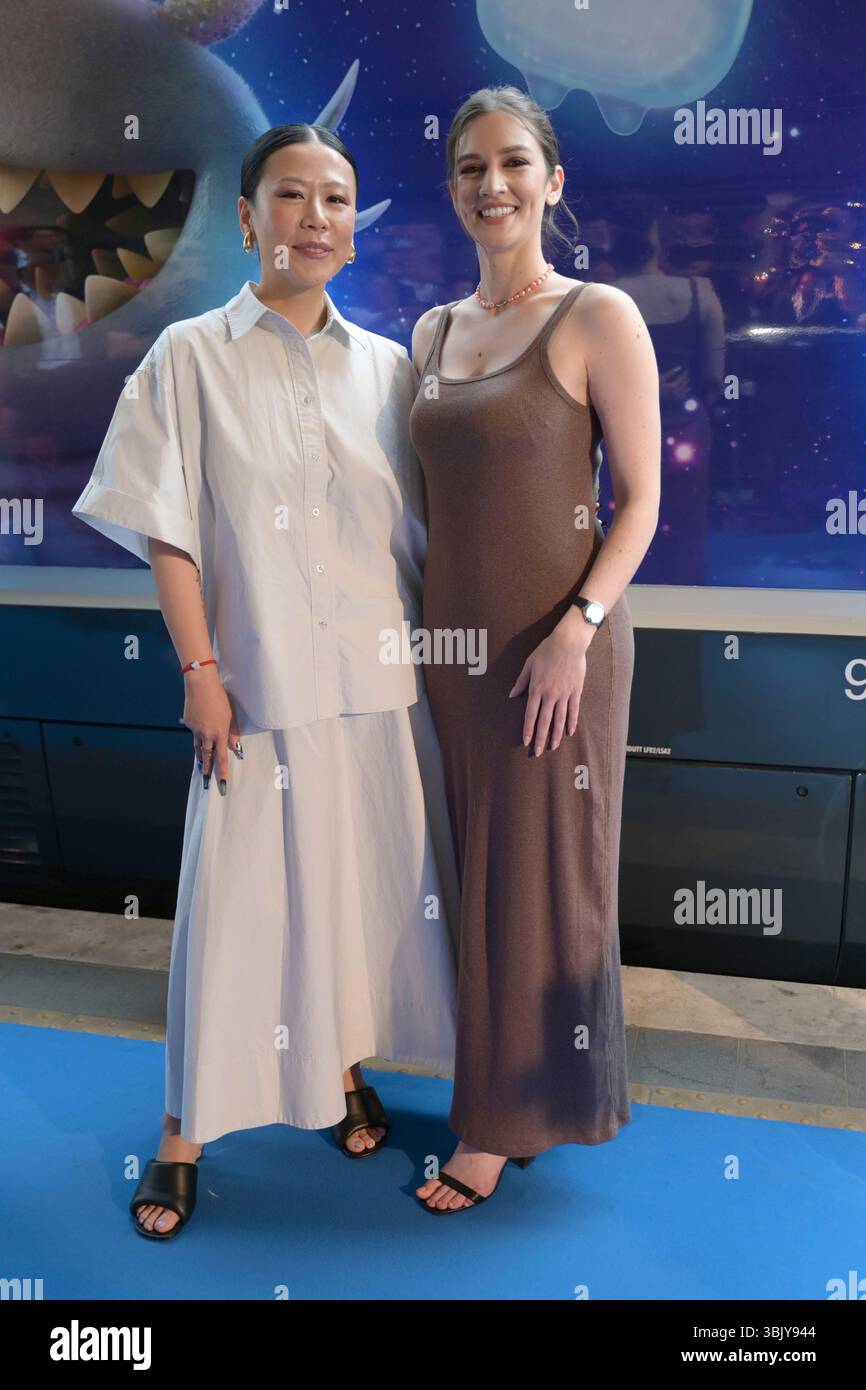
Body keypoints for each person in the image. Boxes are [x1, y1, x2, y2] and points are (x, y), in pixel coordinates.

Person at [71, 123, 460, 1238]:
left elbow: (425, 538)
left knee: (361, 896)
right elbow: (169, 531)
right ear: (247, 217)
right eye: (292, 197)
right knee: (232, 915)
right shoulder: (187, 356)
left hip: (382, 692)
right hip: (253, 690)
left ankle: (338, 1072)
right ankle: (183, 1133)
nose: (315, 218)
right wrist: (199, 669)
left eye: (336, 198)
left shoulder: (389, 367)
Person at [409, 86, 661, 1213]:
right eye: (469, 168)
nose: (490, 185)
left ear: (551, 181)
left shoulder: (596, 314)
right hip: (449, 653)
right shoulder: (432, 330)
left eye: (512, 163)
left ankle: (499, 1124)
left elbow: (642, 503)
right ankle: (524, 1096)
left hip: (557, 650)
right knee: (476, 879)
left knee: (543, 881)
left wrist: (576, 631)